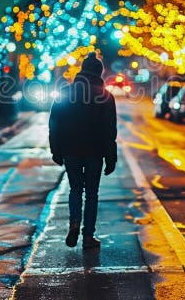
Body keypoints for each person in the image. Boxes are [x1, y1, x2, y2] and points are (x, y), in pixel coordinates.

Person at [48, 52, 117, 250]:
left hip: (71, 150)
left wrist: (56, 150)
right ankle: (88, 236)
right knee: (92, 194)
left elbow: (55, 124)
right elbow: (109, 130)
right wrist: (110, 157)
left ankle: (74, 223)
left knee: (75, 190)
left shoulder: (66, 92)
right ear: (99, 73)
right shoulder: (105, 97)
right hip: (95, 152)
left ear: (82, 70)